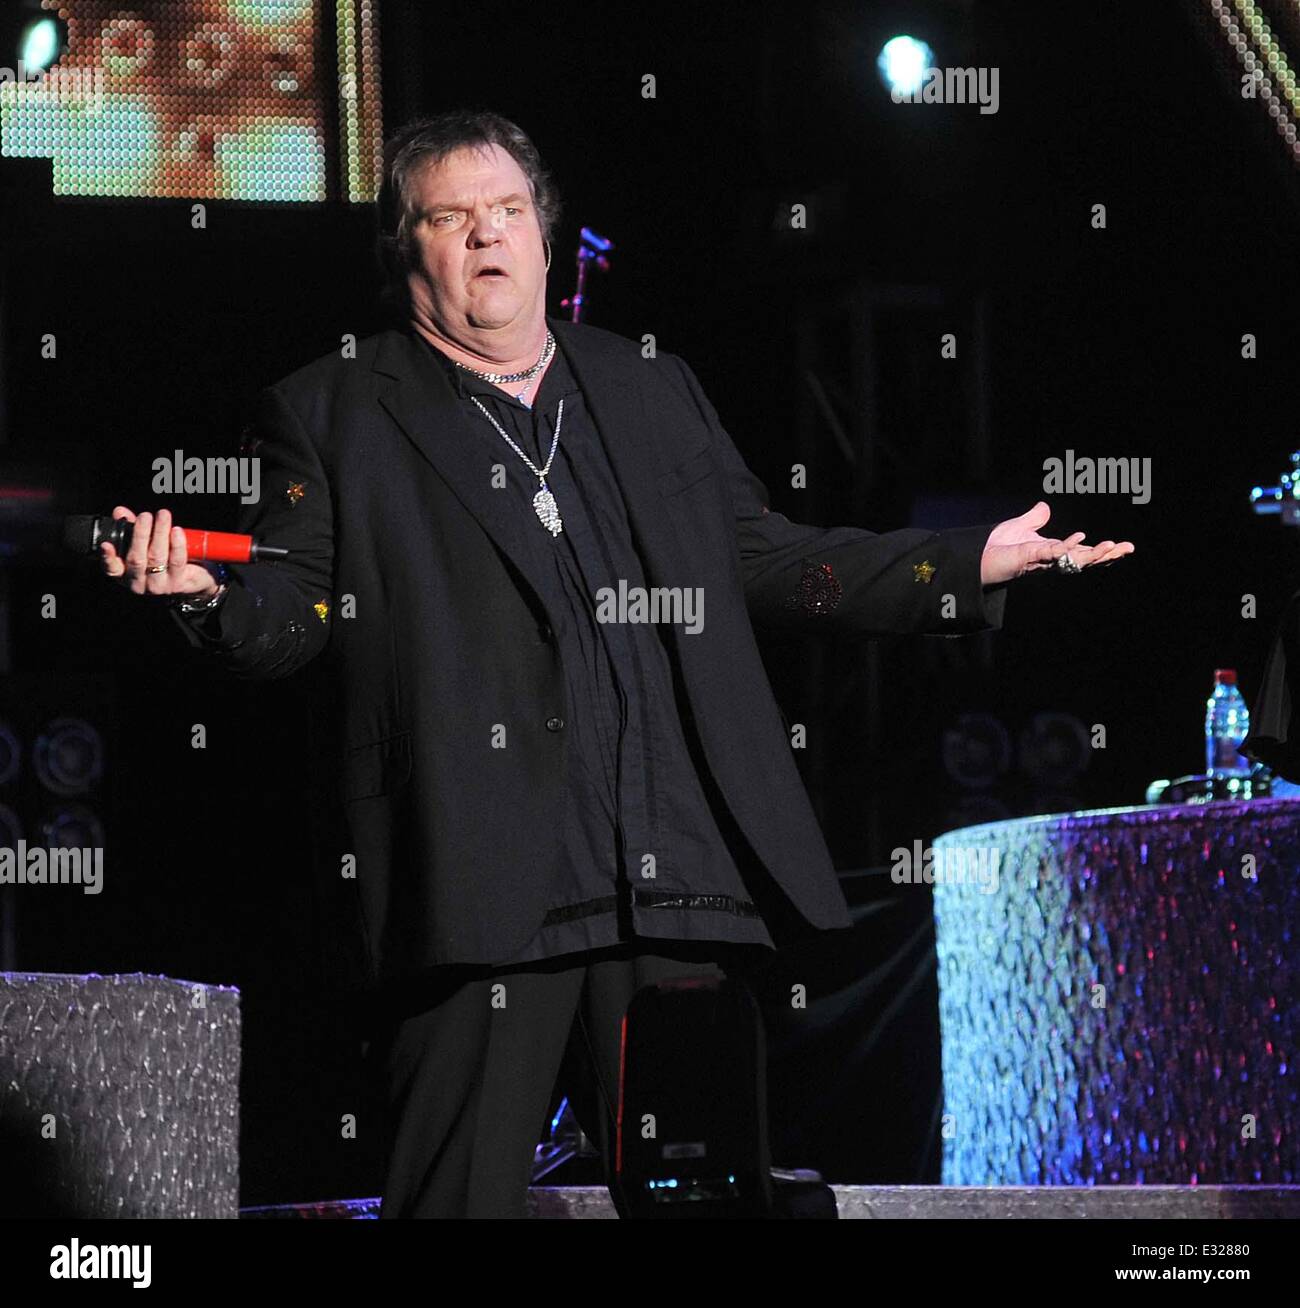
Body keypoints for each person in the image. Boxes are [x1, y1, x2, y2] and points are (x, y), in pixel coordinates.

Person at [99, 110, 1134, 1218]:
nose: (486, 238)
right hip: (478, 891)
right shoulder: (332, 409)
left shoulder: (646, 387)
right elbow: (294, 606)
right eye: (450, 219)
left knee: (702, 1203)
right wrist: (209, 598)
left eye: (507, 213)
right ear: (405, 253)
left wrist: (962, 560)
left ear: (545, 239)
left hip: (673, 882)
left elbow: (770, 563)